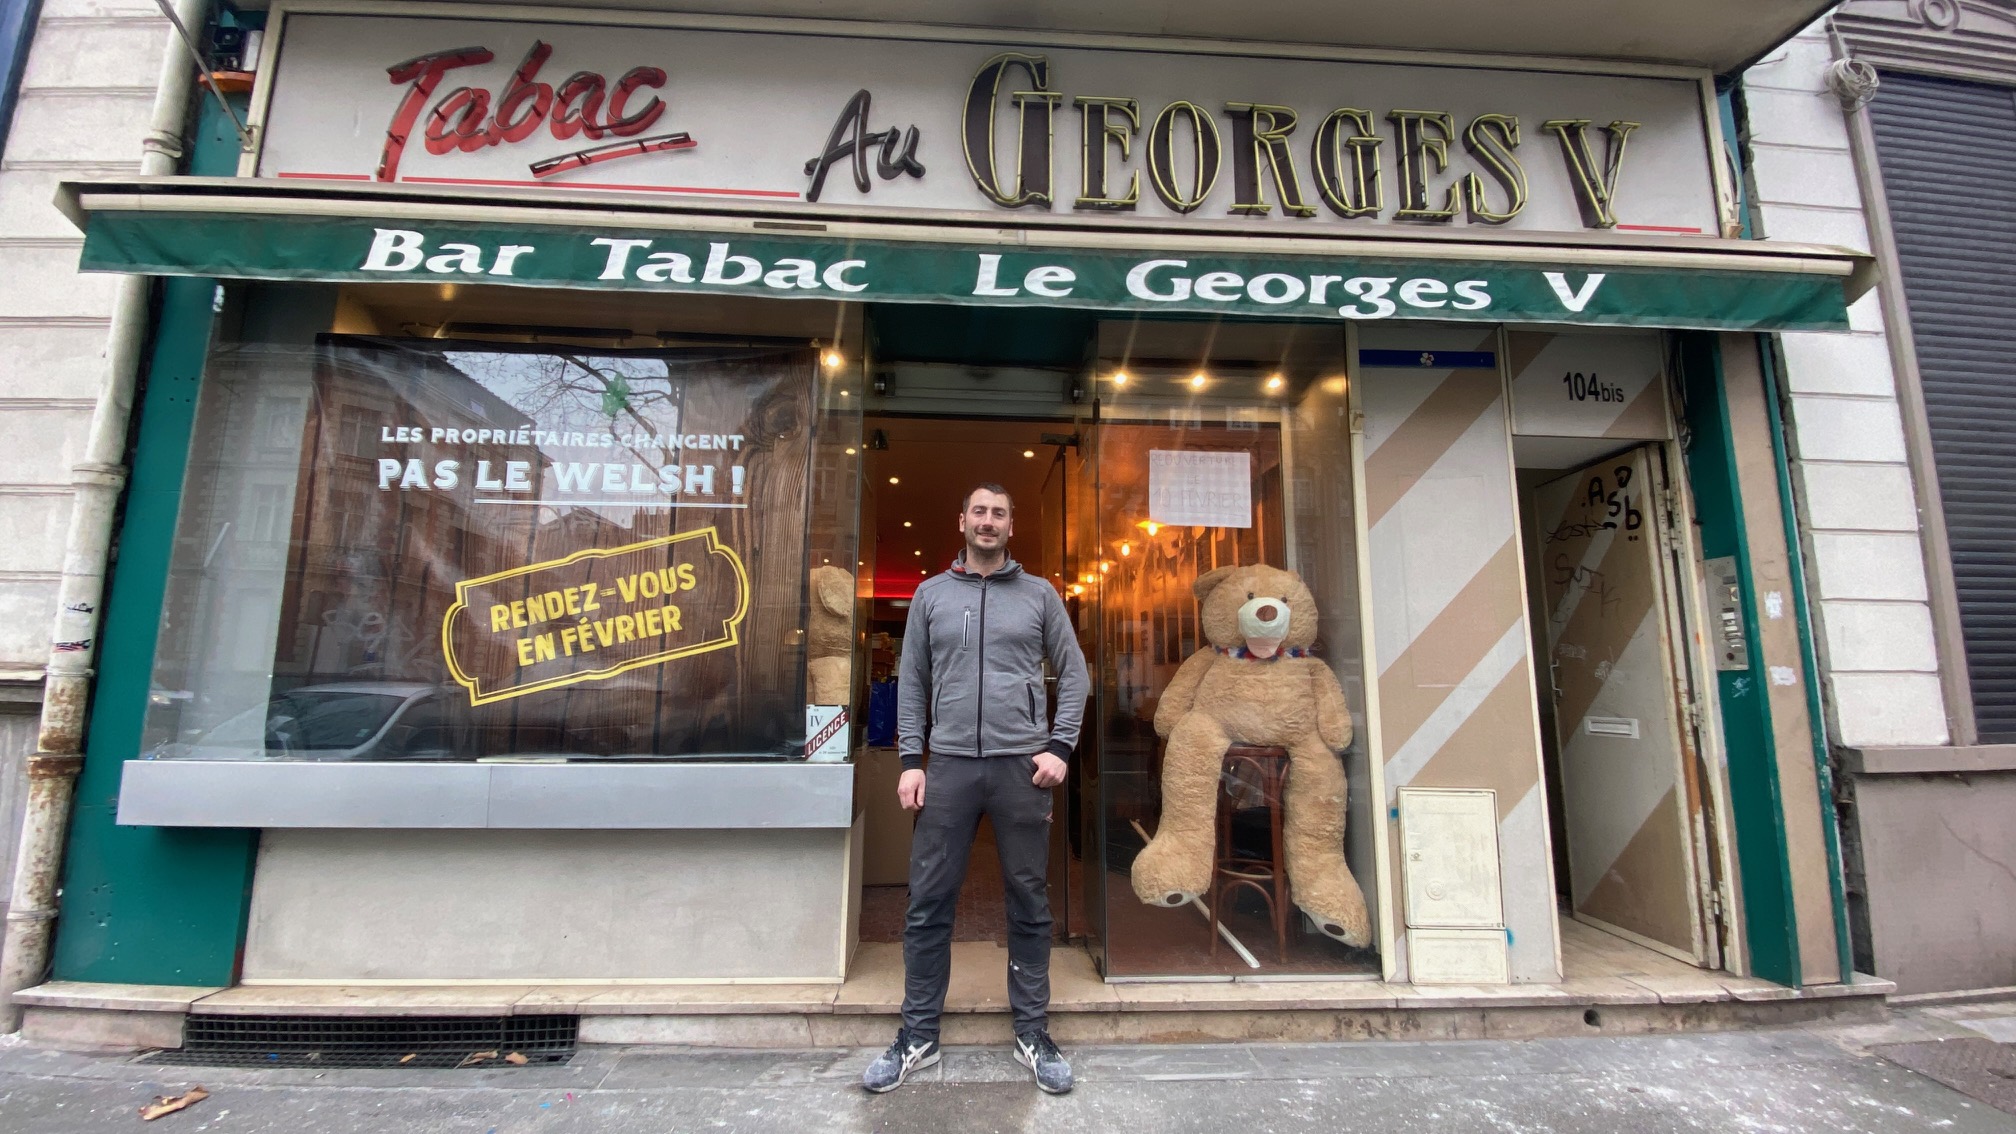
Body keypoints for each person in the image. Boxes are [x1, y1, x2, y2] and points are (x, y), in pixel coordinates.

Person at [861, 483, 1090, 1095]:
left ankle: (1033, 1033)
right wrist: (913, 760)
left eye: (999, 514)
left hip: (1022, 768)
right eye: (979, 513)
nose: (988, 522)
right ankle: (917, 1036)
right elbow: (911, 682)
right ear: (962, 520)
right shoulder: (931, 595)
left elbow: (1076, 675)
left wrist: (1060, 746)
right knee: (929, 901)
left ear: (1012, 526)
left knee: (1029, 901)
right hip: (951, 767)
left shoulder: (1040, 595)